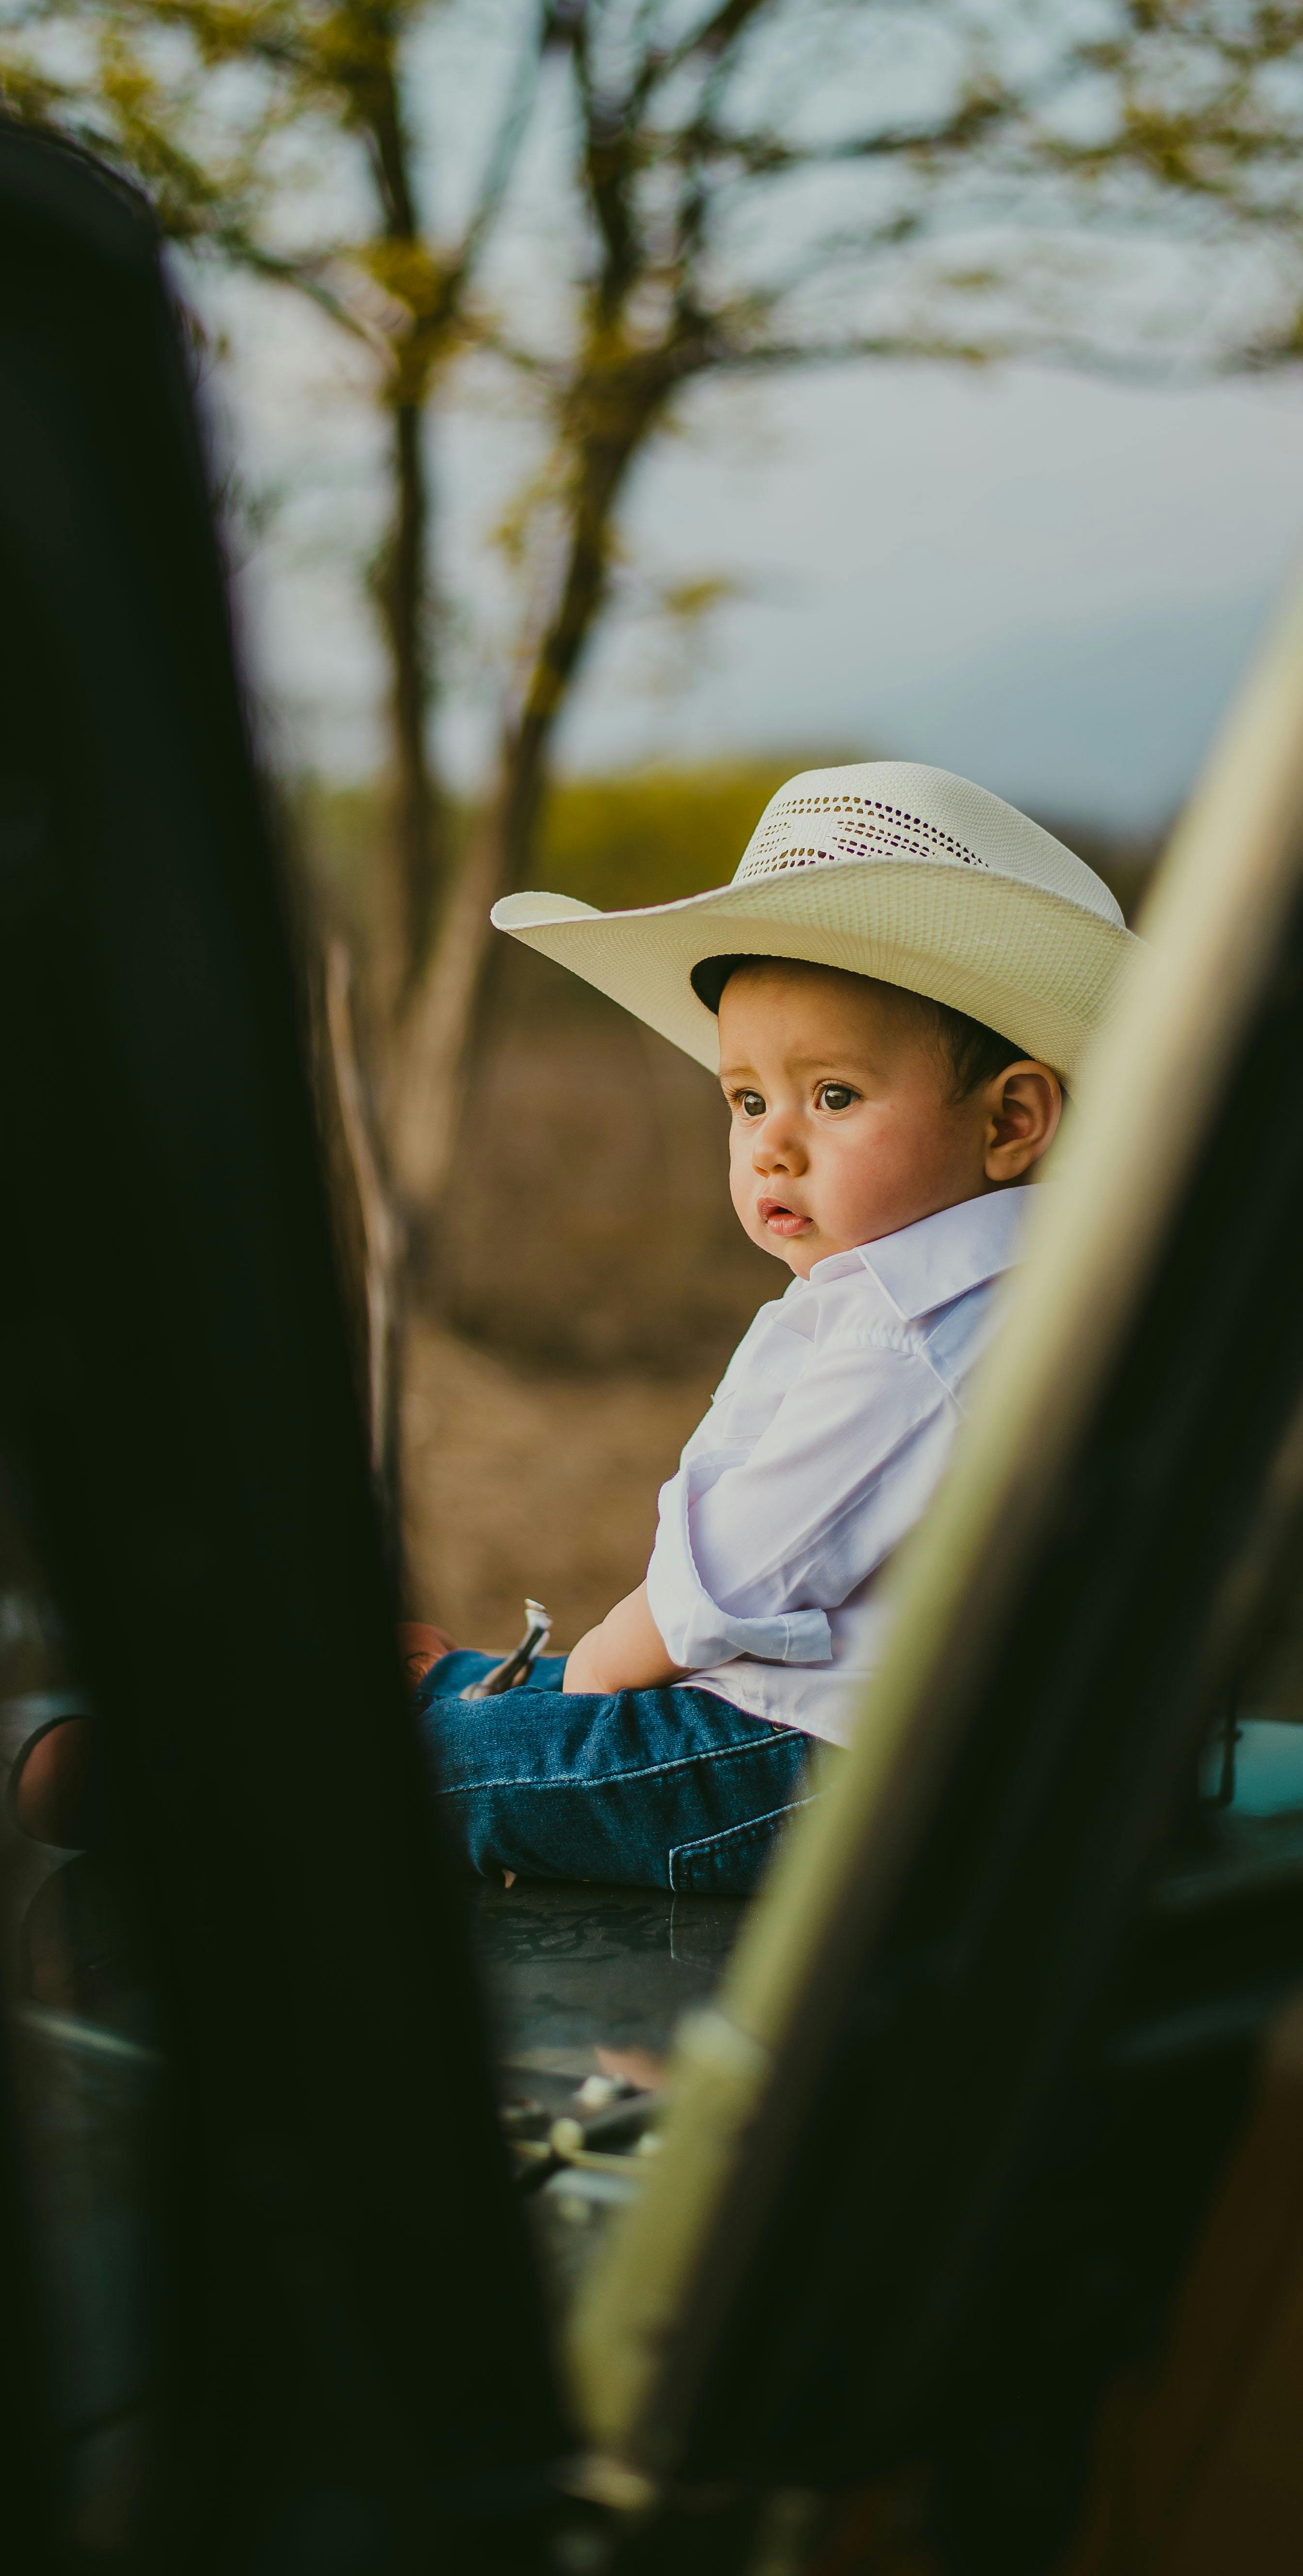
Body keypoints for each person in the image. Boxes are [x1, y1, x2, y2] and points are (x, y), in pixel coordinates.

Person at [403, 760, 1136, 1895]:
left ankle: (225, 1779)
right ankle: (462, 1687)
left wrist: (592, 1680)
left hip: (825, 1777)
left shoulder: (917, 1332)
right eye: (747, 1098)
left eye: (832, 1095)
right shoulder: (1008, 1294)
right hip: (924, 1750)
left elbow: (728, 1584)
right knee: (543, 1719)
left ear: (1011, 1120)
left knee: (475, 1765)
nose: (770, 1145)